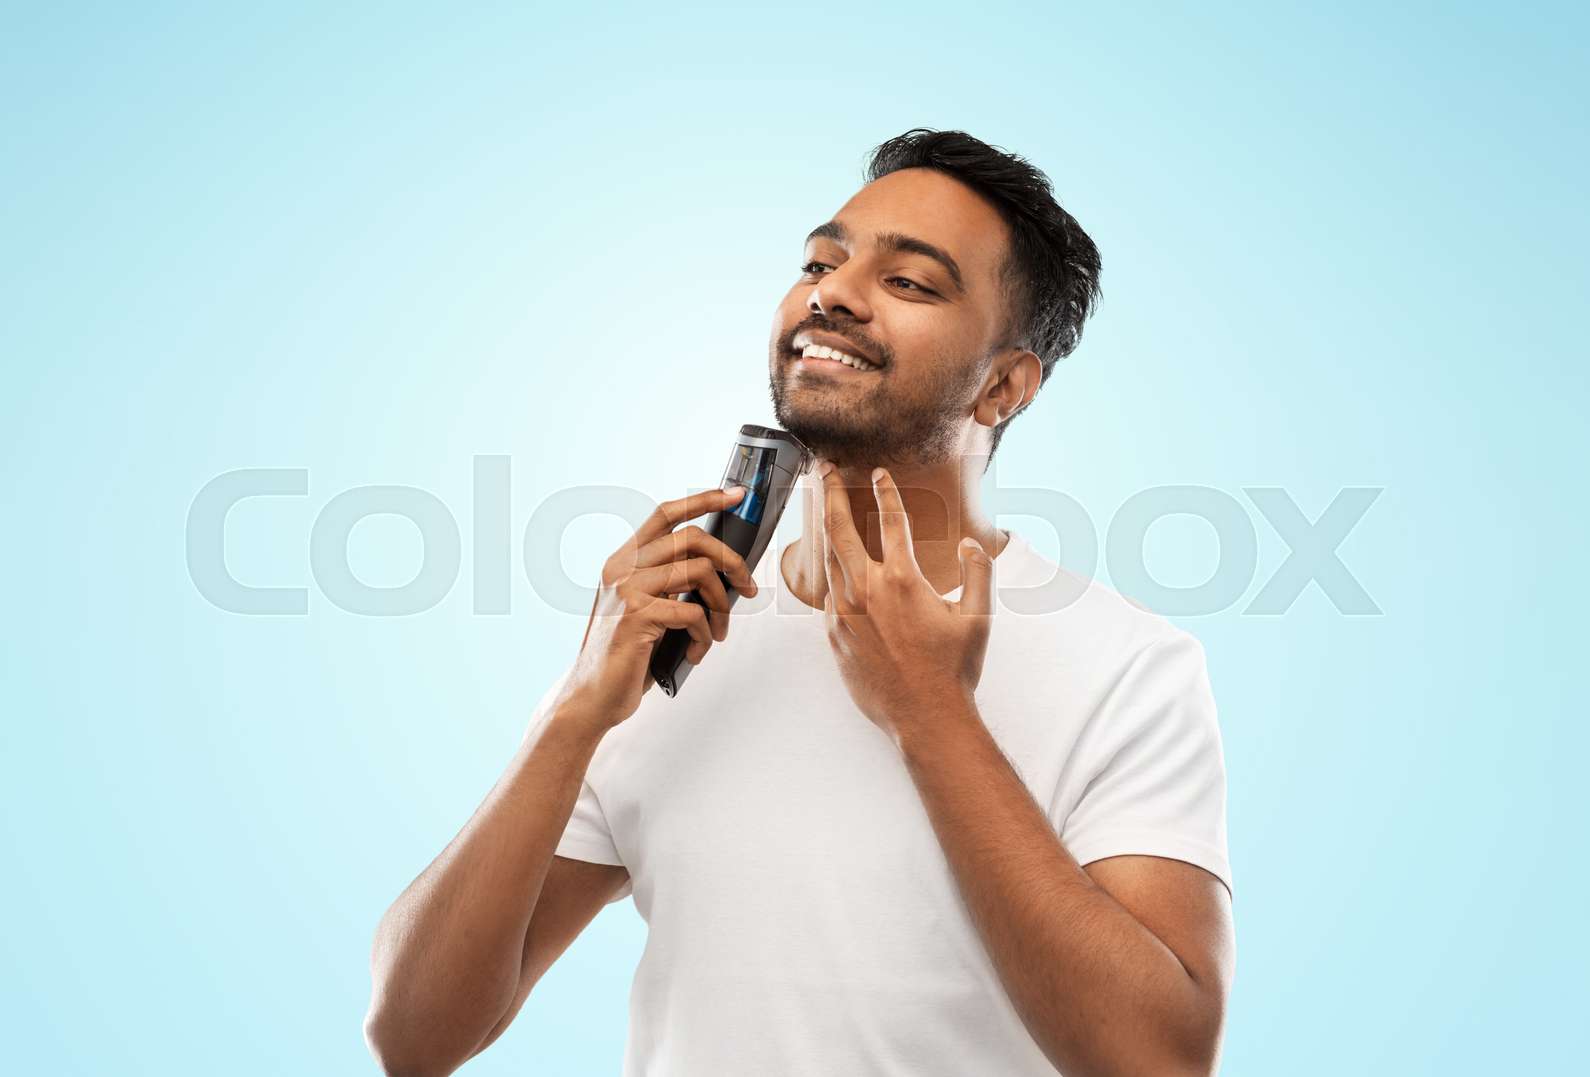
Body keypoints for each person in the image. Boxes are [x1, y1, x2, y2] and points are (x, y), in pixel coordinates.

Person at [365, 129, 1235, 1076]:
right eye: (821, 261)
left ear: (1002, 386)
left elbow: (1159, 1059)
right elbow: (413, 1038)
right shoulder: (667, 639)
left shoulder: (1129, 663)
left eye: (909, 283)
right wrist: (575, 713)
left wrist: (933, 715)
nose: (833, 293)